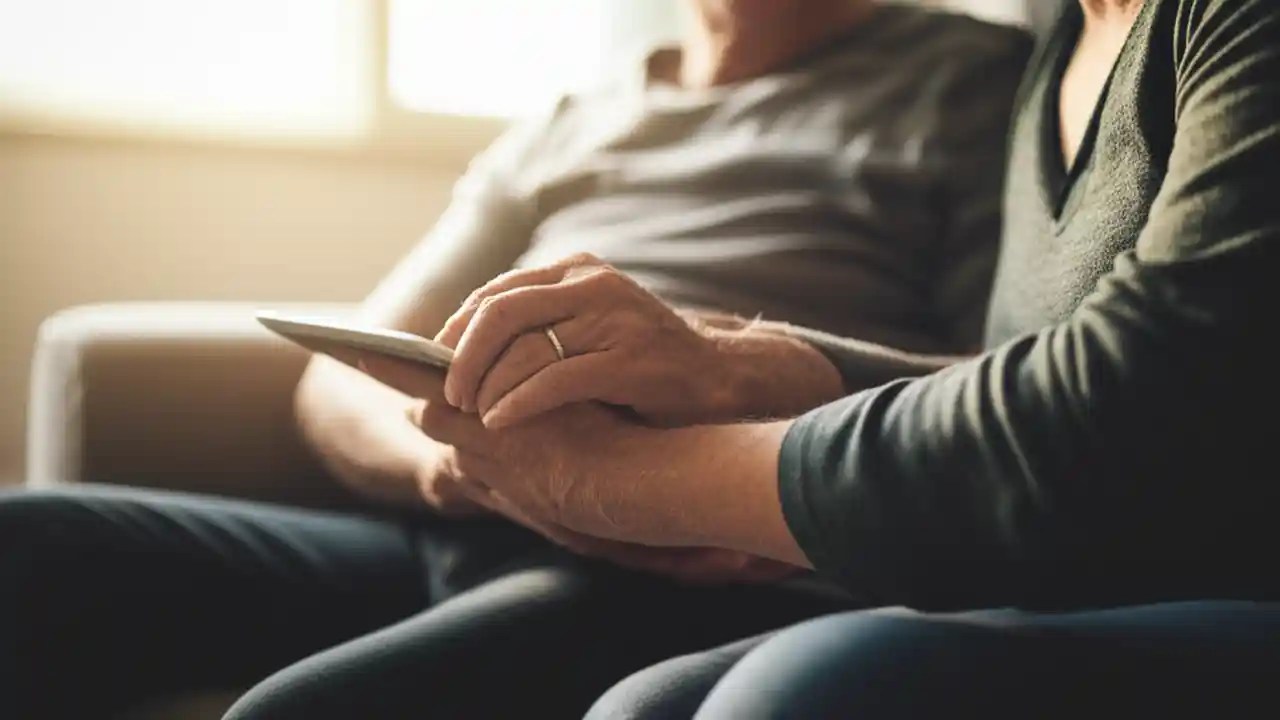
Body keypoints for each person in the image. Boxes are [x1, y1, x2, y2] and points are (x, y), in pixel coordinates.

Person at [0, 2, 1031, 718]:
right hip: (458, 520)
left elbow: (1001, 394)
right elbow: (335, 381)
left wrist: (699, 403)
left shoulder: (968, 81)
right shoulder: (566, 122)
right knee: (28, 549)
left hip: (684, 562)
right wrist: (456, 468)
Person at [358, 0, 1280, 716]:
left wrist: (618, 482)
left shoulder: (1011, 66)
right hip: (1074, 581)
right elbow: (1022, 382)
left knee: (805, 691)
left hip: (1204, 585)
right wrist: (749, 367)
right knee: (645, 708)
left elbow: (1127, 412)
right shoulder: (1060, 50)